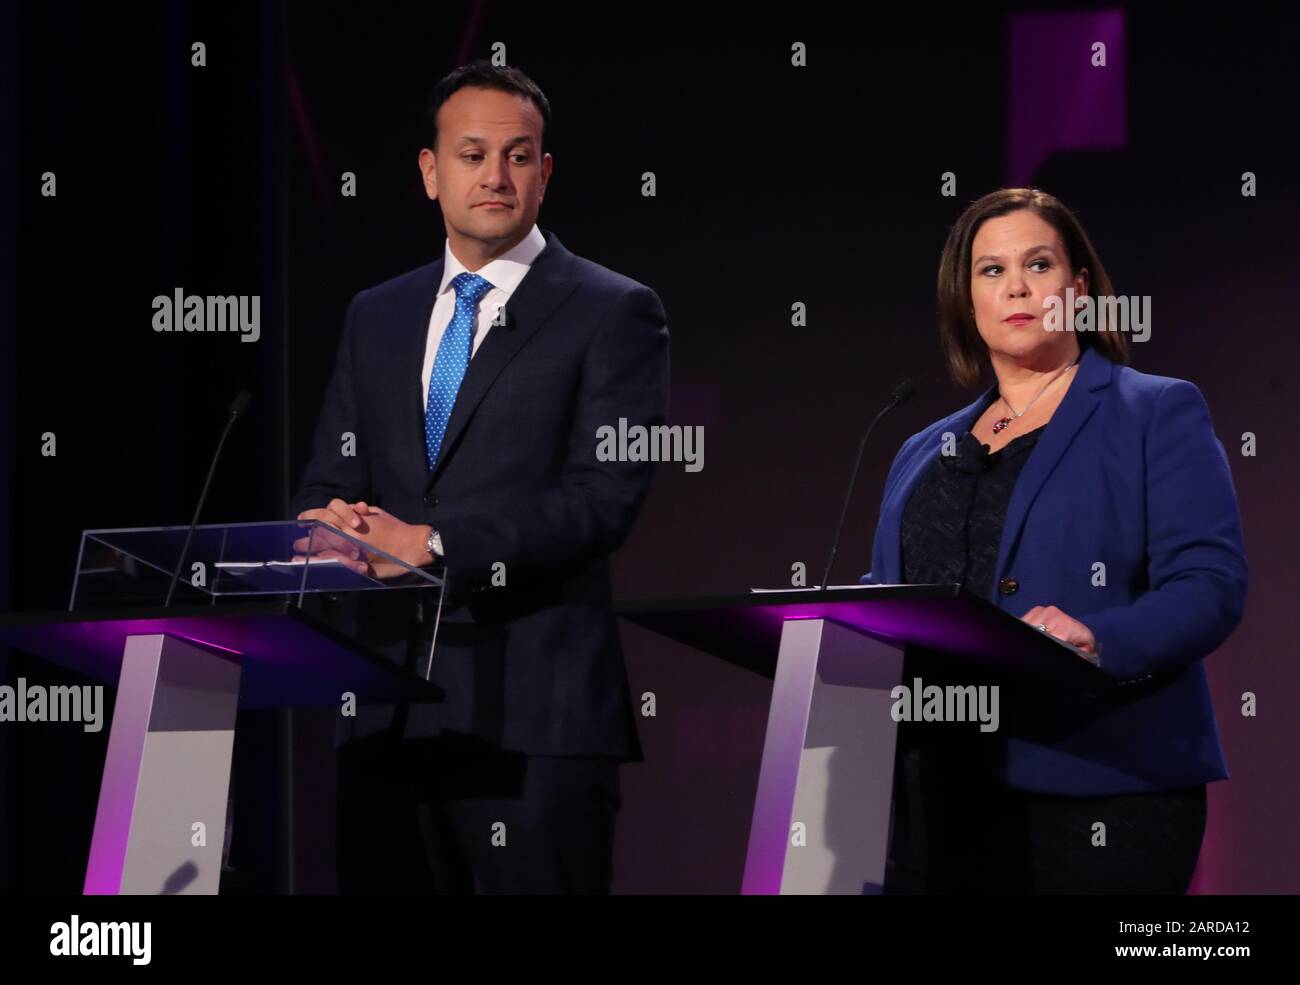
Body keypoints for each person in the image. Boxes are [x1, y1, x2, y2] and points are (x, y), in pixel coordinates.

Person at [291, 61, 670, 894]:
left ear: (544, 173)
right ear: (431, 172)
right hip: (385, 713)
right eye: (472, 155)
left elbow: (603, 502)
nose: (495, 175)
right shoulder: (376, 313)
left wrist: (433, 544)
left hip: (534, 724)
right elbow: (329, 475)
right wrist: (327, 524)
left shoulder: (614, 310)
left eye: (517, 156)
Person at [860, 187, 1247, 893]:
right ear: (966, 299)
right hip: (937, 797)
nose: (1016, 286)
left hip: (1100, 788)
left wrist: (1099, 639)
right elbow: (889, 593)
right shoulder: (921, 448)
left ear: (1080, 288)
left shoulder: (1154, 410)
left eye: (1038, 265)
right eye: (991, 270)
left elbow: (1209, 586)